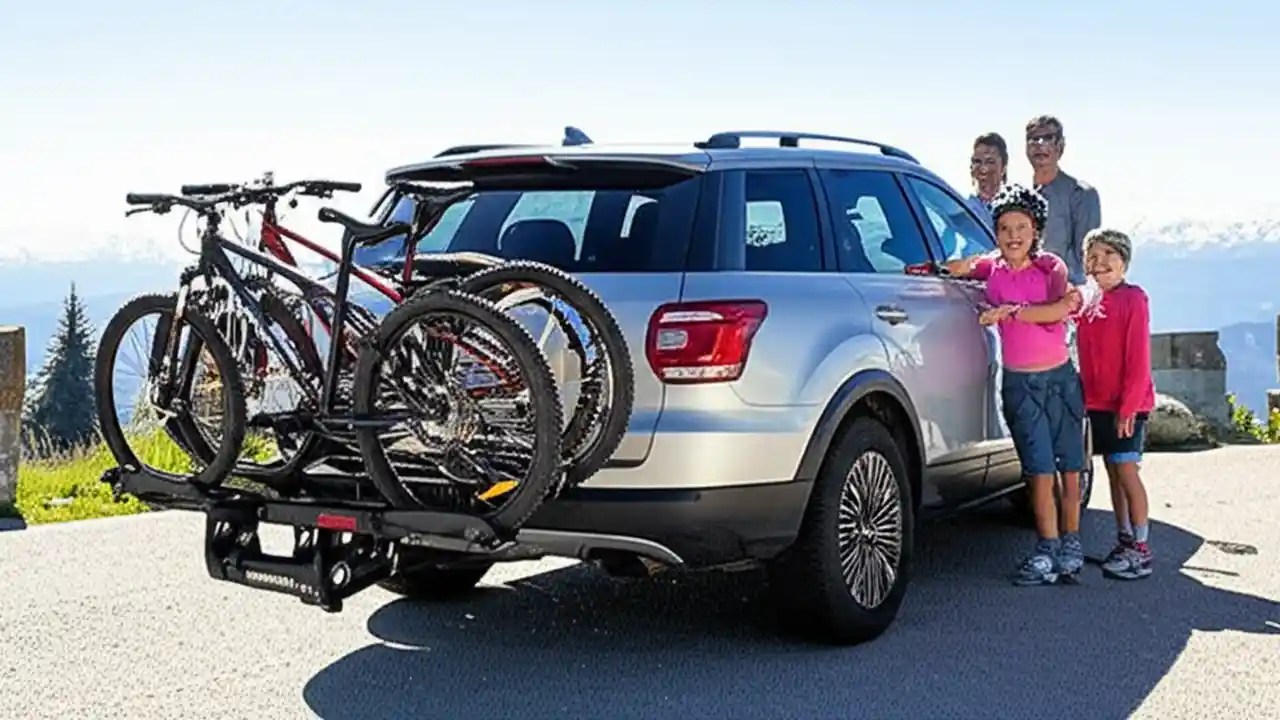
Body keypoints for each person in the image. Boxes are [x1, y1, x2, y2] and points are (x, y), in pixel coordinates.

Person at [945, 183, 1088, 586]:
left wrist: (1011, 313)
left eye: (1021, 226)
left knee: (1070, 465)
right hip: (1020, 383)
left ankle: (1071, 543)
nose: (1013, 235)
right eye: (1005, 227)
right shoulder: (992, 267)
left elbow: (1062, 308)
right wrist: (931, 269)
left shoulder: (1051, 268)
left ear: (1036, 230)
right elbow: (963, 267)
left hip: (1058, 379)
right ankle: (1046, 547)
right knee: (1038, 469)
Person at [1073, 228, 1156, 580]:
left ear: (1124, 262)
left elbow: (1138, 359)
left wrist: (1129, 406)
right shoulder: (1088, 301)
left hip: (1127, 405)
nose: (1100, 262)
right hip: (1097, 403)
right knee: (1111, 470)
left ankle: (1141, 547)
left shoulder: (1133, 299)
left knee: (1126, 470)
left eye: (1109, 255)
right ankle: (1123, 538)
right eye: (1092, 256)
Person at [1025, 115, 1101, 287]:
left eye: (1048, 138)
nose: (1040, 144)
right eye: (1033, 139)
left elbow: (1087, 259)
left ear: (1060, 146)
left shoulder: (1081, 194)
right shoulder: (1022, 197)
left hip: (1066, 297)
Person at [967, 132, 1008, 228]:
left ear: (1003, 167)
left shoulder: (1016, 207)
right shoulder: (965, 209)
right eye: (977, 162)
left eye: (990, 162)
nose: (983, 169)